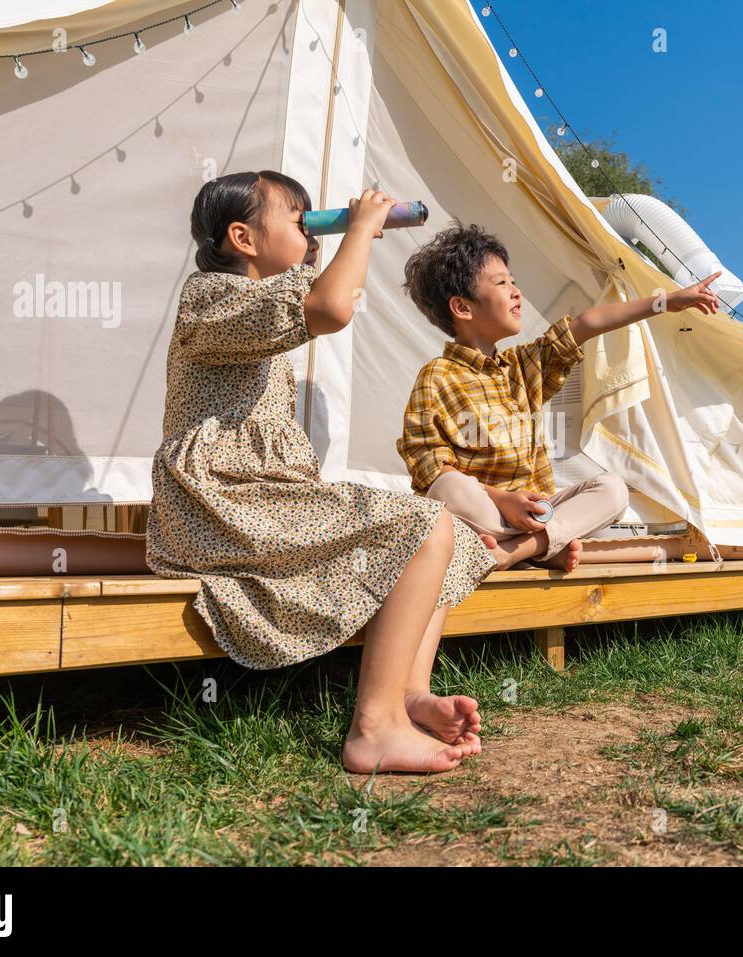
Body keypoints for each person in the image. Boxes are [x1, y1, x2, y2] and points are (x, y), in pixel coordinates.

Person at [145, 171, 497, 775]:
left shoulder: (263, 307)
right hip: (216, 501)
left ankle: (409, 692)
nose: (310, 226)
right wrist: (357, 229)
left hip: (264, 498)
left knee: (455, 539)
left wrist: (346, 242)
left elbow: (327, 297)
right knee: (426, 525)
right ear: (243, 237)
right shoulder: (209, 296)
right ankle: (374, 728)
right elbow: (332, 306)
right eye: (296, 216)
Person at [396, 222, 721, 571]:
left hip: (537, 513)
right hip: (485, 513)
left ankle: (514, 552)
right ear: (462, 308)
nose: (516, 291)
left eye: (514, 281)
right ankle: (541, 547)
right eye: (502, 283)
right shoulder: (437, 376)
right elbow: (428, 468)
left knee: (612, 490)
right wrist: (503, 500)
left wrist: (665, 302)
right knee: (448, 489)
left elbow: (583, 325)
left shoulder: (520, 368)